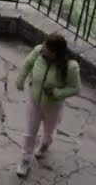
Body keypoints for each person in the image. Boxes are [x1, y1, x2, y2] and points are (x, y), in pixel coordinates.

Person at [14, 33, 81, 178]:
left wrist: (56, 93)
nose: (42, 48)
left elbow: (75, 88)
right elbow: (28, 64)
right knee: (29, 131)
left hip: (53, 106)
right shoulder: (38, 51)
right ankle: (25, 159)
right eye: (44, 45)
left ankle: (45, 143)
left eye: (46, 48)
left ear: (54, 52)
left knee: (49, 130)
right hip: (34, 101)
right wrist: (20, 79)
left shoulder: (71, 67)